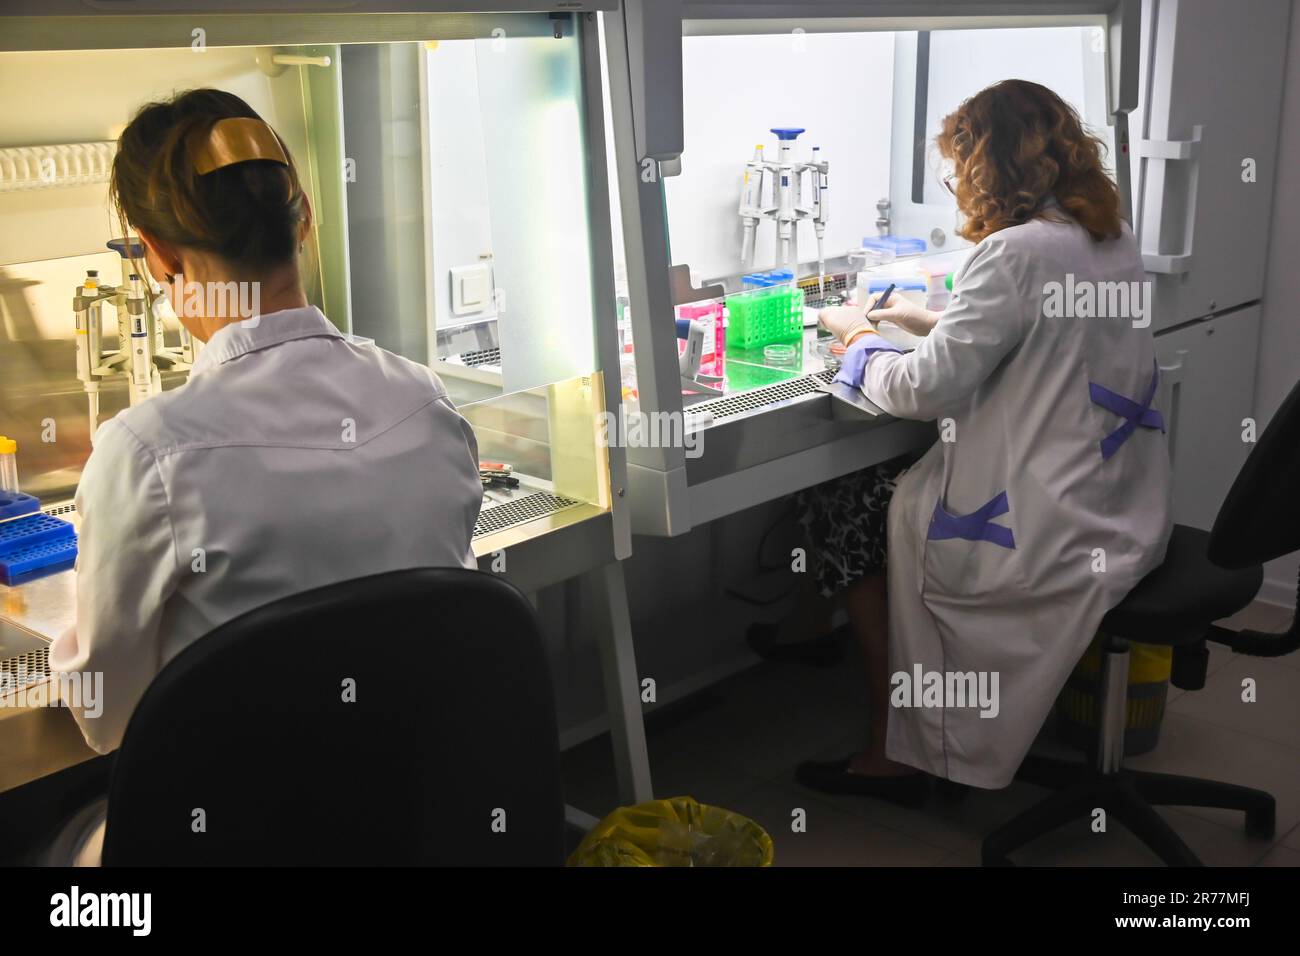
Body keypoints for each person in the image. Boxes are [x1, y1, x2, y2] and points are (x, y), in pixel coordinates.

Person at [49, 90, 484, 757]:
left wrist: (68, 632)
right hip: (426, 817)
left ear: (159, 255)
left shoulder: (146, 453)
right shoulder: (427, 402)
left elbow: (105, 721)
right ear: (303, 219)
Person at [796, 79, 1172, 803]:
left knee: (845, 505)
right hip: (1118, 506)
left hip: (1036, 521)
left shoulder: (1015, 252)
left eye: (957, 168)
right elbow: (1048, 343)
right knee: (859, 497)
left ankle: (896, 749)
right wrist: (931, 317)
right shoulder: (1107, 234)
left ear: (984, 167)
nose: (957, 185)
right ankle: (813, 656)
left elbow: (923, 392)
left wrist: (859, 336)